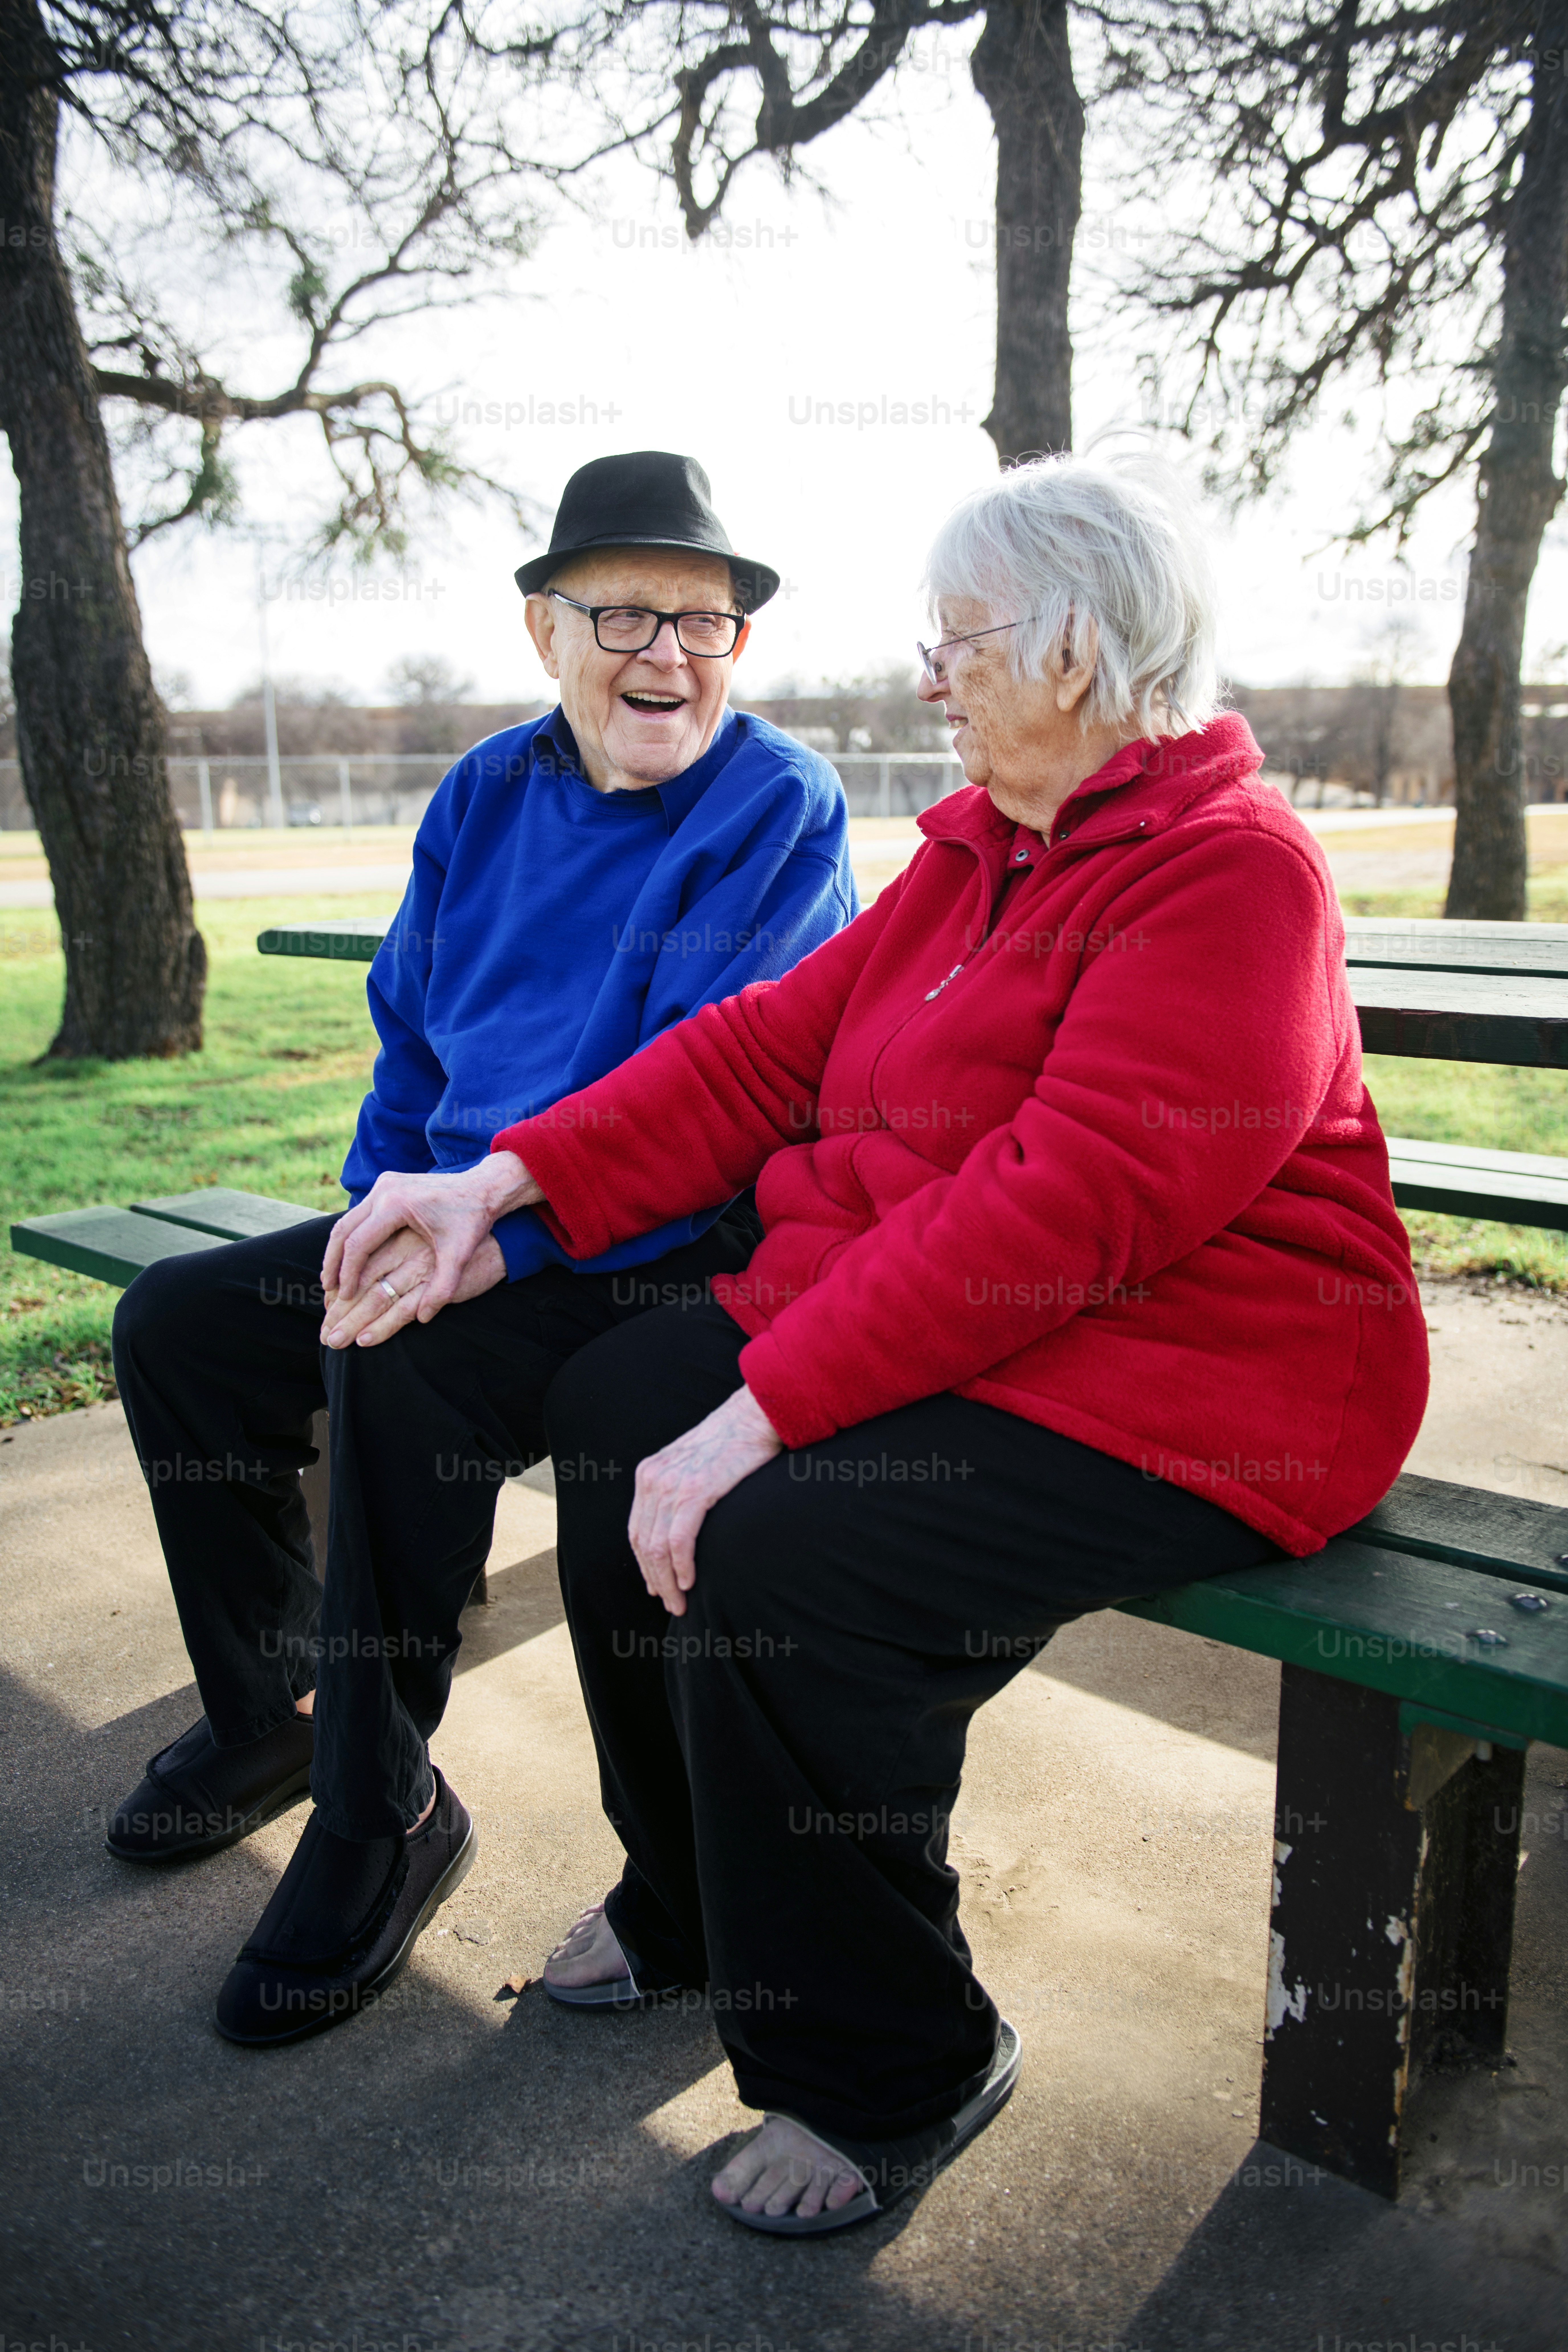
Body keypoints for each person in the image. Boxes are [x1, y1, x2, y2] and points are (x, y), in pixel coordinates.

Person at [322, 454, 1430, 2232]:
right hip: (1008, 1309)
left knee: (786, 1562)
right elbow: (762, 1052)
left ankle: (899, 2062)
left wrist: (767, 1407)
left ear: (1072, 653)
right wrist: (504, 1183)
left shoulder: (1232, 877)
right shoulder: (981, 855)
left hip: (1216, 1374)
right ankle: (694, 1903)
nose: (934, 674)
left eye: (963, 639)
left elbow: (1073, 1206)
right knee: (615, 1407)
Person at [107, 450, 857, 2049]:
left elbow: (717, 1103)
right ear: (543, 632)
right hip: (456, 1211)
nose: (670, 656)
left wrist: (477, 1256)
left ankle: (379, 1815)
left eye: (707, 624)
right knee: (183, 1323)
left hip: (648, 1241)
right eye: (627, 615)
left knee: (407, 1371)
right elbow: (411, 1044)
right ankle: (273, 1715)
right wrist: (376, 1216)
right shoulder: (485, 792)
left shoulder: (777, 806)